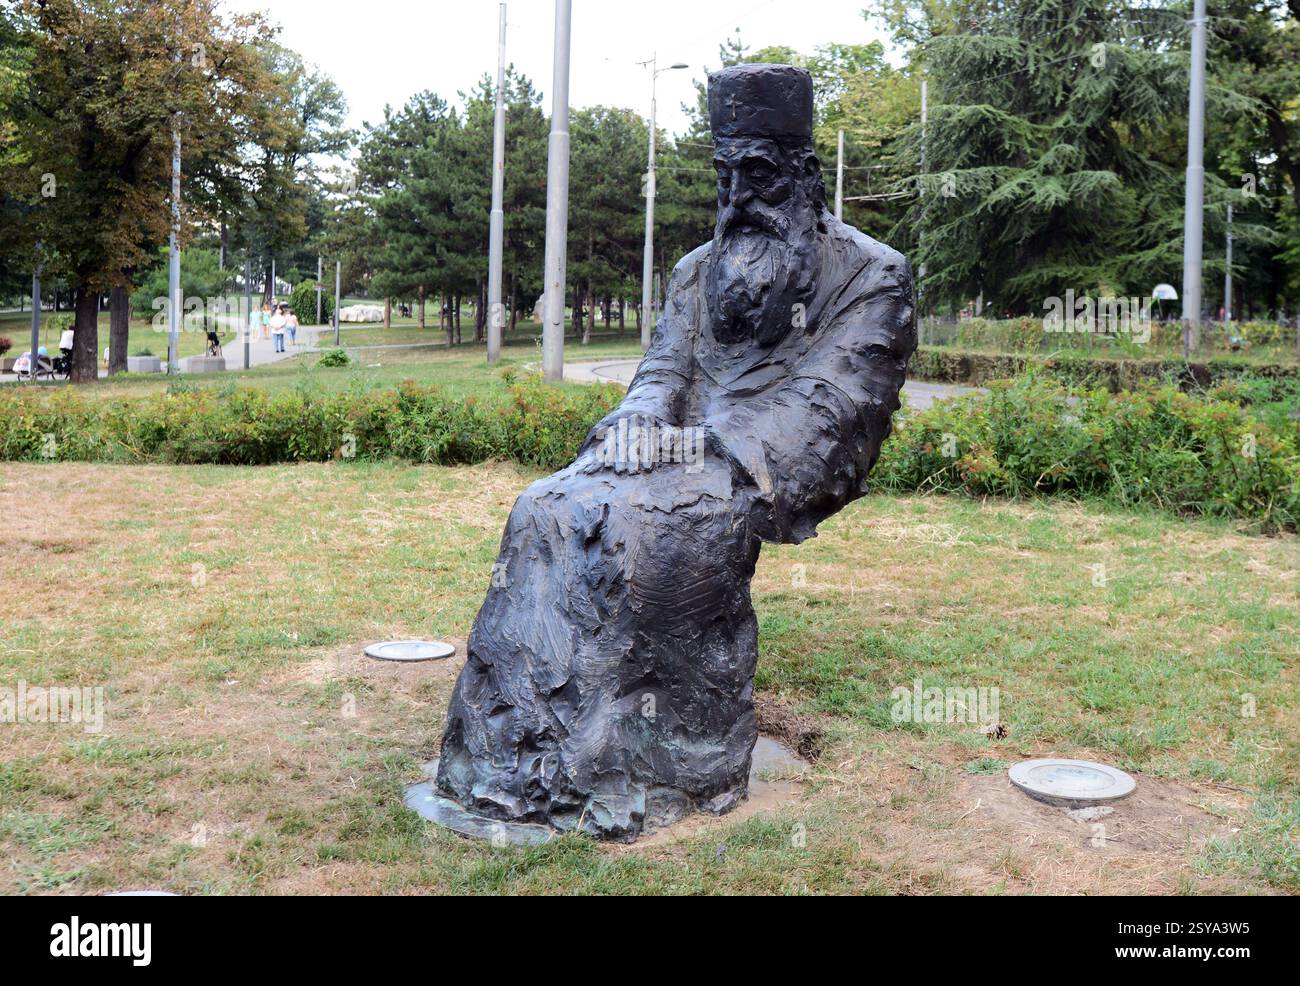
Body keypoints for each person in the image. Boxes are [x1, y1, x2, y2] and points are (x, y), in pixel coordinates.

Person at [436, 64, 916, 839]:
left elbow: (835, 404)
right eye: (725, 175)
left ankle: (640, 758)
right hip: (671, 454)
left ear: (804, 174)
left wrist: (696, 448)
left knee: (630, 534)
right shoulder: (696, 270)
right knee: (544, 507)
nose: (738, 197)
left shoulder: (872, 274)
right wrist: (635, 420)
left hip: (753, 463)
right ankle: (506, 754)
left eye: (757, 174)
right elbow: (661, 371)